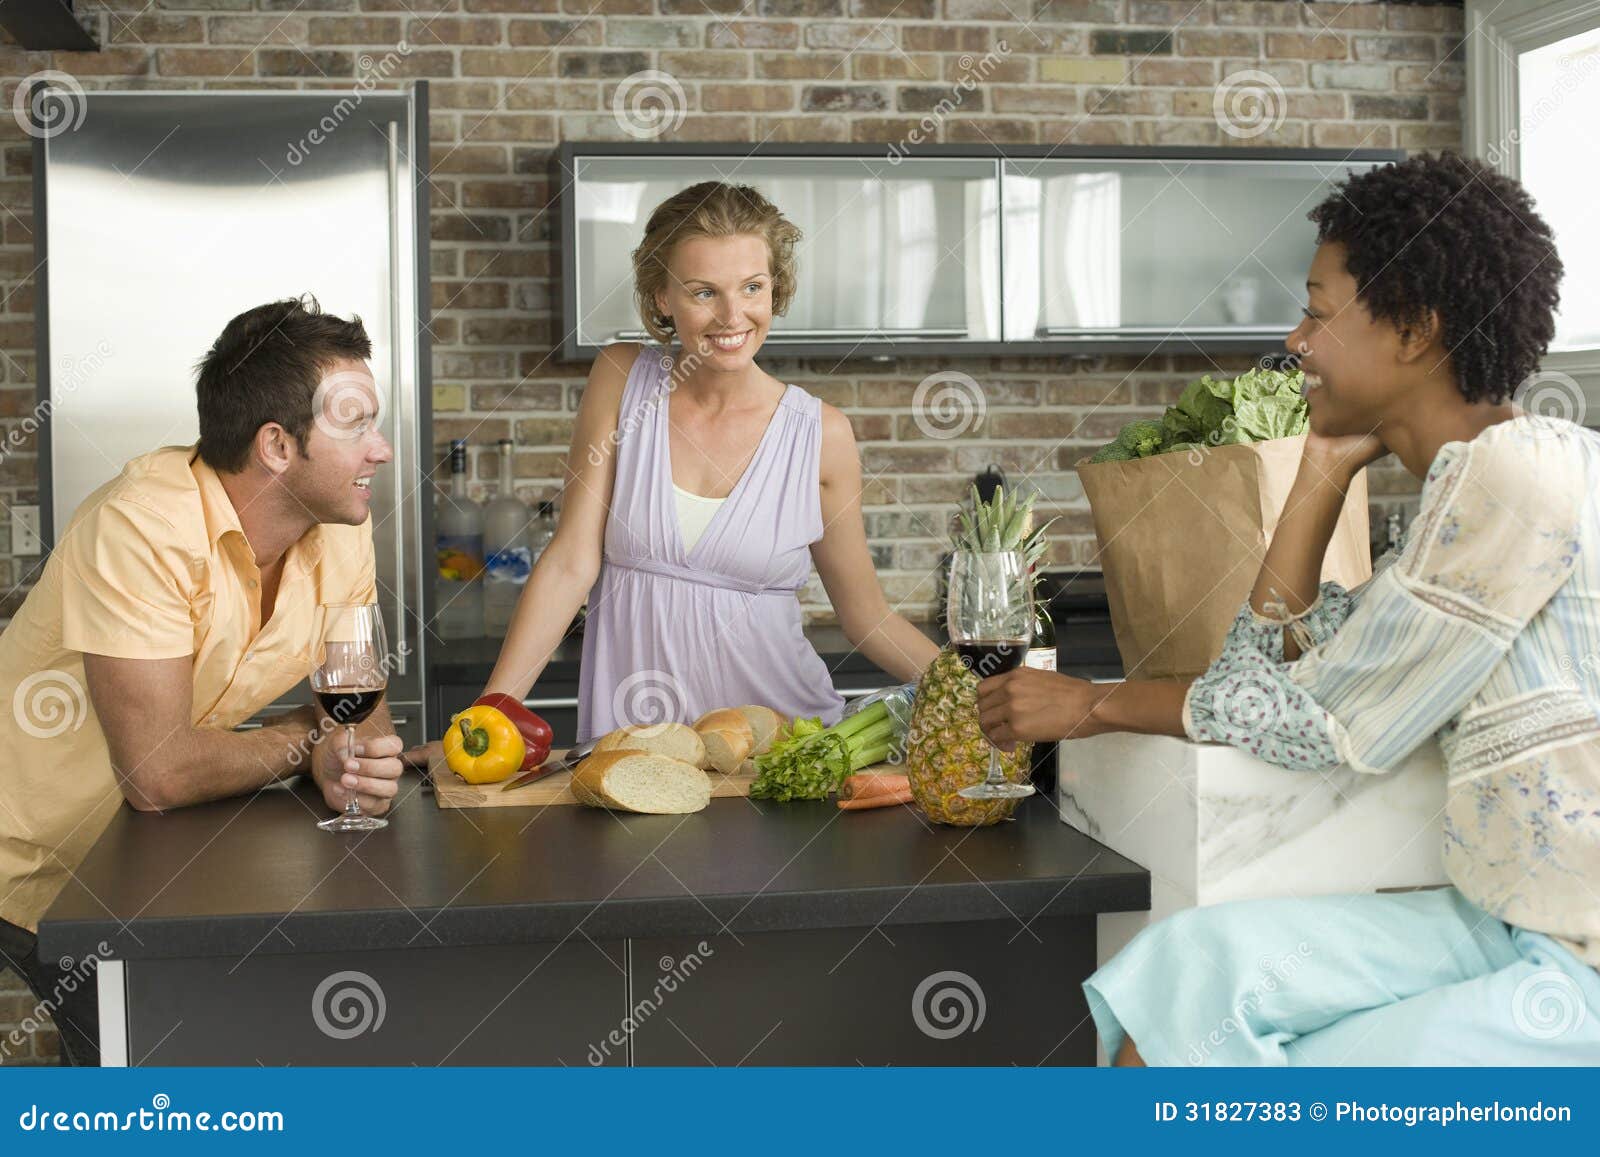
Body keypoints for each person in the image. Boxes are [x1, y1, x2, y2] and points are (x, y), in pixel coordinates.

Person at [977, 153, 1600, 1064]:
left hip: (1578, 957)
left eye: (1318, 310)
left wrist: (1093, 705)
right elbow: (1264, 672)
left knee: (1290, 1073)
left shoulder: (1516, 479)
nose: (1295, 339)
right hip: (1506, 919)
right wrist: (1318, 471)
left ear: (1414, 331)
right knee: (1186, 985)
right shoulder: (1474, 491)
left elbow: (1317, 717)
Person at [0, 297, 407, 1065]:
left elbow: (360, 711)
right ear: (277, 445)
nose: (381, 450)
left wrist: (359, 758)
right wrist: (311, 740)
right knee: (133, 1077)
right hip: (33, 851)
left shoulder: (340, 530)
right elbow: (158, 774)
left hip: (150, 860)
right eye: (356, 425)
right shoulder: (142, 527)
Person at [452, 182, 937, 743]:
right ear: (662, 297)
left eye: (752, 287)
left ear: (775, 288)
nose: (733, 316)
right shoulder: (622, 380)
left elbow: (867, 618)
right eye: (704, 292)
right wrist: (486, 717)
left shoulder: (821, 434)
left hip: (778, 753)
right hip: (634, 751)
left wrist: (979, 698)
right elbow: (569, 564)